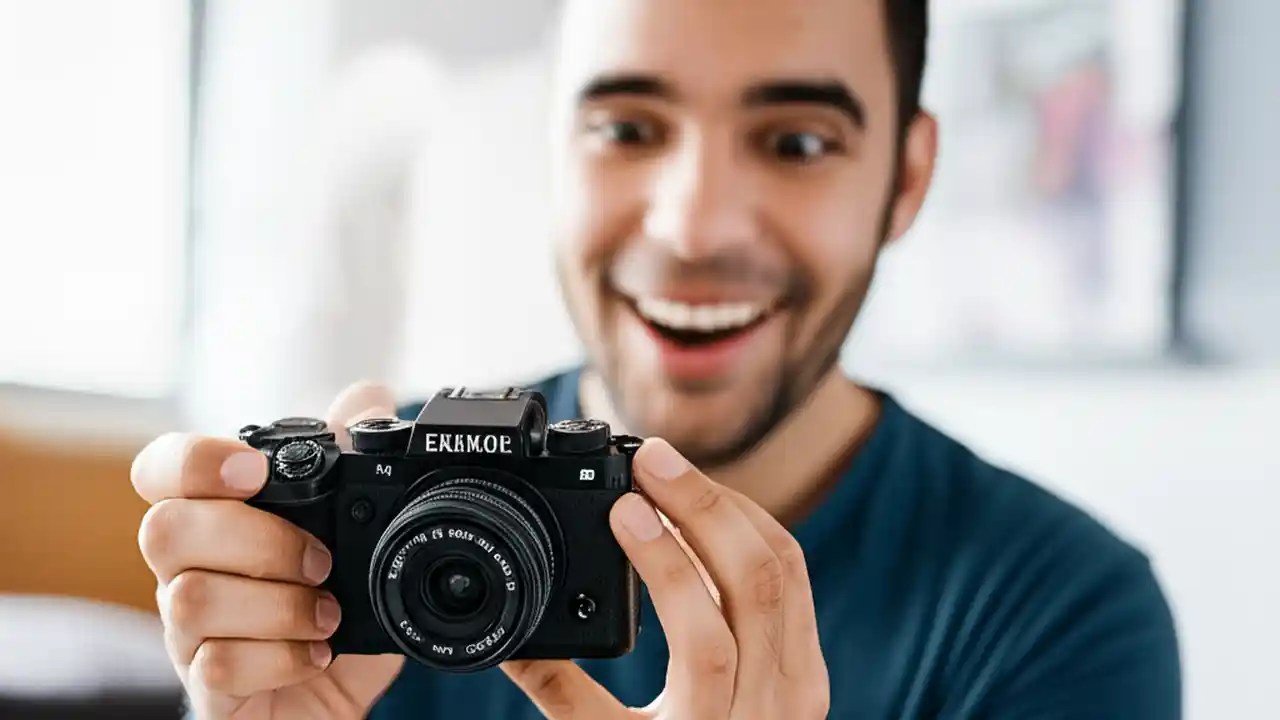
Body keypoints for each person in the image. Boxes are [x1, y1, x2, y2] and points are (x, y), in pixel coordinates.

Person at [130, 0, 1182, 717]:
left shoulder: (1058, 612)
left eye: (796, 142)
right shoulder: (352, 558)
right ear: (553, 150)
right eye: (627, 128)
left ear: (904, 180)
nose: (691, 225)